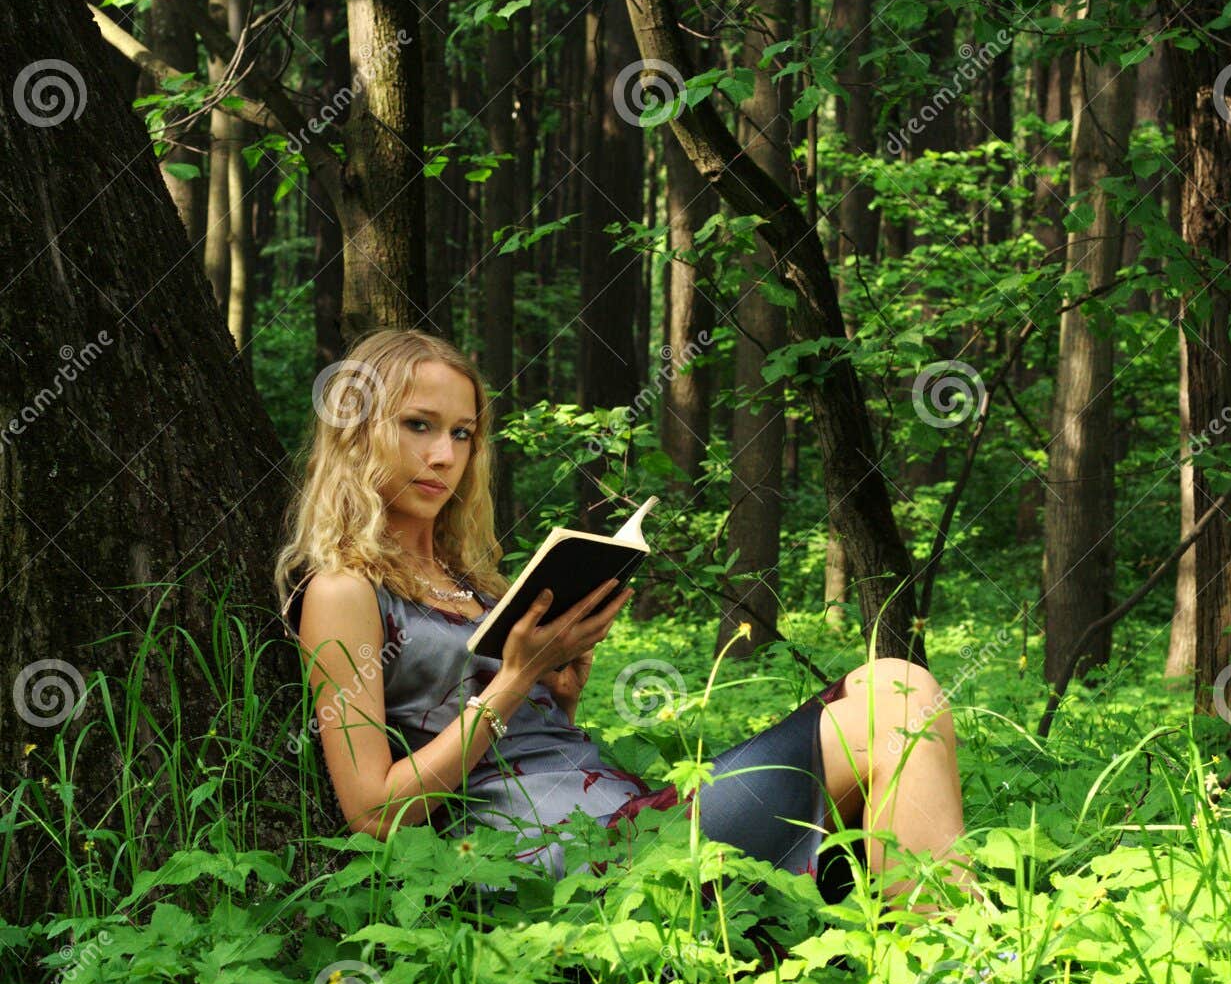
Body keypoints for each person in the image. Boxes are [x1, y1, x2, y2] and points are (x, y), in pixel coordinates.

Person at [274, 328, 974, 909]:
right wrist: (516, 679)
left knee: (901, 694)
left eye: (462, 433)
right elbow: (371, 814)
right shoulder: (344, 590)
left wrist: (559, 689)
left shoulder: (471, 582)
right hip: (565, 869)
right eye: (418, 425)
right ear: (357, 428)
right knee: (894, 694)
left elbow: (531, 751)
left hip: (624, 820)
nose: (444, 455)